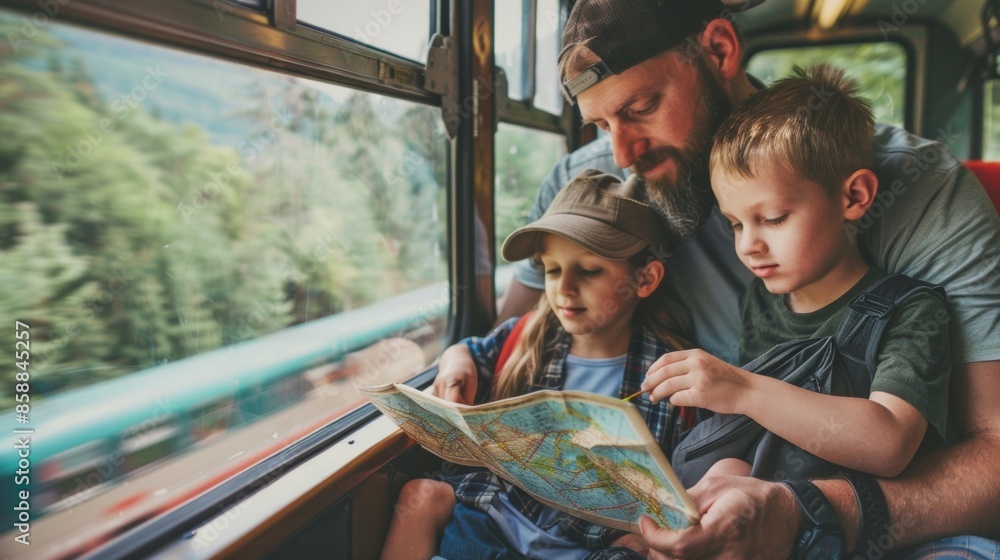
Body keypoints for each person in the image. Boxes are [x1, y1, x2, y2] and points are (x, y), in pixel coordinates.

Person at [446, 0, 1000, 557]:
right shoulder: (586, 191)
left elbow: (990, 454)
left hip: (893, 521)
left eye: (642, 106)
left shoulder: (923, 198)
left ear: (719, 49)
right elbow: (520, 338)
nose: (622, 154)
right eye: (601, 124)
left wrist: (799, 512)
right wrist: (466, 353)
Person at [642, 64, 951, 487]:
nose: (748, 245)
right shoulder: (760, 301)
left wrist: (743, 389)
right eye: (735, 224)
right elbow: (761, 437)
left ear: (854, 196)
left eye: (773, 218)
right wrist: (723, 479)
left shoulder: (911, 310)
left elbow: (890, 443)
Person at [382, 170, 692, 560]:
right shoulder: (525, 337)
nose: (565, 288)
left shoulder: (672, 374)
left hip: (593, 544)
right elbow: (468, 350)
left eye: (589, 270)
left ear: (645, 278)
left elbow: (675, 492)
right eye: (552, 269)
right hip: (495, 517)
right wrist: (455, 363)